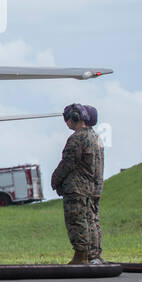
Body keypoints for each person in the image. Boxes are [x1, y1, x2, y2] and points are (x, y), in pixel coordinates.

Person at [49, 103, 104, 264]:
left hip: (77, 189)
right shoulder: (96, 138)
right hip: (93, 189)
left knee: (77, 221)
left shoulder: (77, 138)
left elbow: (68, 163)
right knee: (92, 220)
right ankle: (94, 256)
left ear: (75, 118)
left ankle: (81, 256)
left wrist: (55, 179)